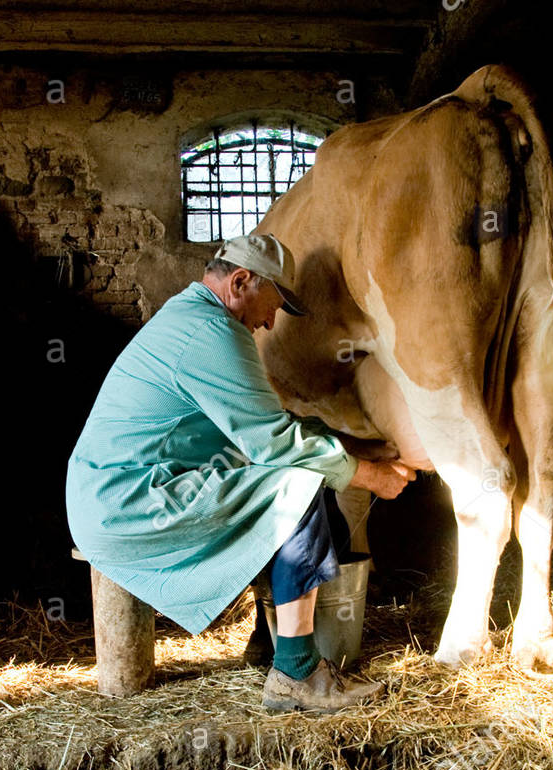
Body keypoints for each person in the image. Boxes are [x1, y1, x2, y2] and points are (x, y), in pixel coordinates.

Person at [66, 232, 415, 713]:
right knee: (299, 485)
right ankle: (297, 673)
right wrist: (368, 475)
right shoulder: (211, 334)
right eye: (272, 306)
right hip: (129, 501)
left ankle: (268, 641)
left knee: (287, 480)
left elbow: (269, 426)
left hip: (112, 493)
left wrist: (356, 446)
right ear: (242, 281)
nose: (270, 321)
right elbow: (272, 442)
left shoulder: (194, 318)